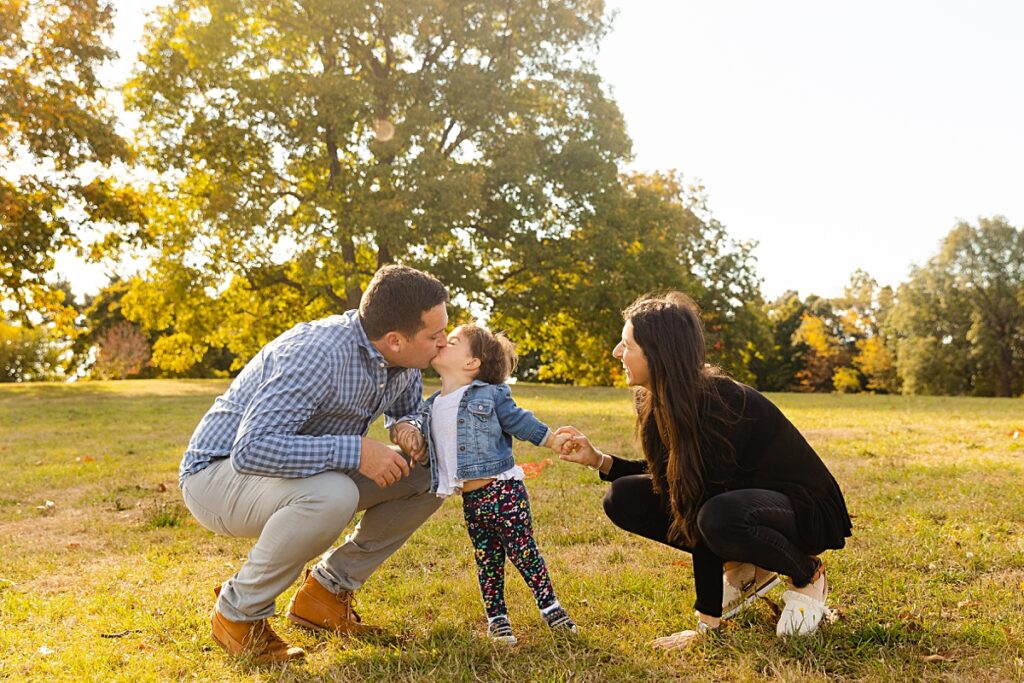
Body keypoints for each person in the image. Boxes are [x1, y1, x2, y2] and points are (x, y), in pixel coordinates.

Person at [178, 264, 449, 663]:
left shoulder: (403, 362)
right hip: (216, 478)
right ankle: (238, 613)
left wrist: (408, 427)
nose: (444, 342)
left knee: (431, 471)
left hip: (298, 470)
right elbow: (252, 448)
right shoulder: (317, 353)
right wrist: (356, 451)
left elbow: (405, 410)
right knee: (331, 495)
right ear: (395, 340)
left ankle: (324, 594)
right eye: (434, 335)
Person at [556, 292, 852, 648]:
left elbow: (699, 501)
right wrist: (599, 460)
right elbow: (671, 478)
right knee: (623, 497)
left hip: (802, 509)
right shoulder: (655, 397)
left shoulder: (718, 401)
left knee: (715, 515)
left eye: (626, 344)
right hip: (740, 506)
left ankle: (806, 574)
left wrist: (705, 626)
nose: (617, 353)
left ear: (659, 352)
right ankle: (746, 571)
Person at [420, 324, 578, 644]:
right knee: (487, 559)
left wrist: (552, 440)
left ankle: (550, 607)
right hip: (472, 500)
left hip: (504, 490)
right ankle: (497, 619)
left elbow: (521, 421)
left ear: (471, 363)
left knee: (522, 551)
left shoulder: (490, 395)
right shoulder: (431, 405)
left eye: (451, 342)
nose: (441, 343)